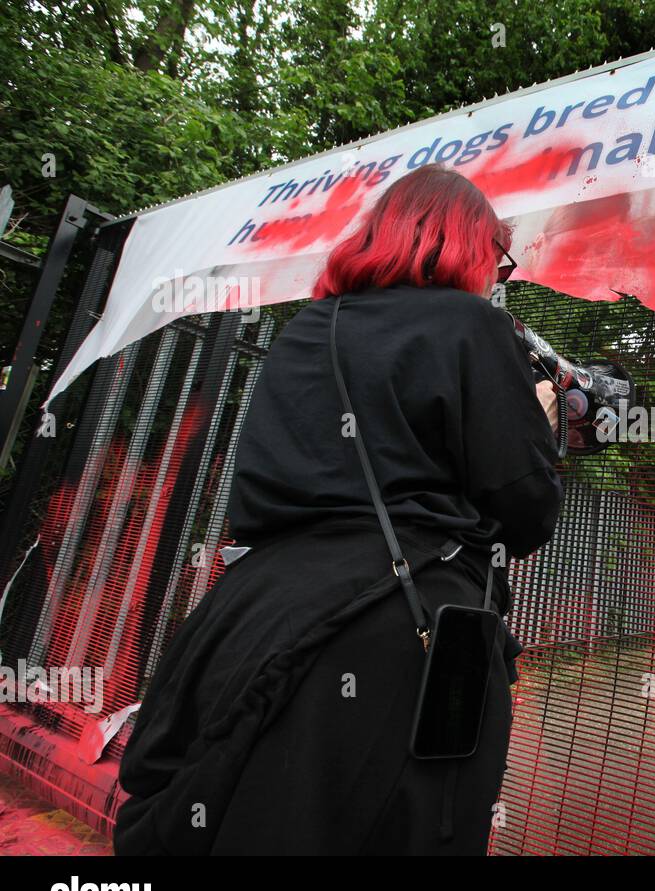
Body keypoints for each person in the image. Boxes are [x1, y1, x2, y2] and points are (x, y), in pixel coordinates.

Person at [113, 165, 563, 855]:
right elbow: (525, 511)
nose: (496, 278)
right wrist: (538, 425)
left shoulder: (307, 330)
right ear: (470, 246)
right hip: (404, 629)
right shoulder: (471, 325)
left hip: (250, 617)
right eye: (497, 260)